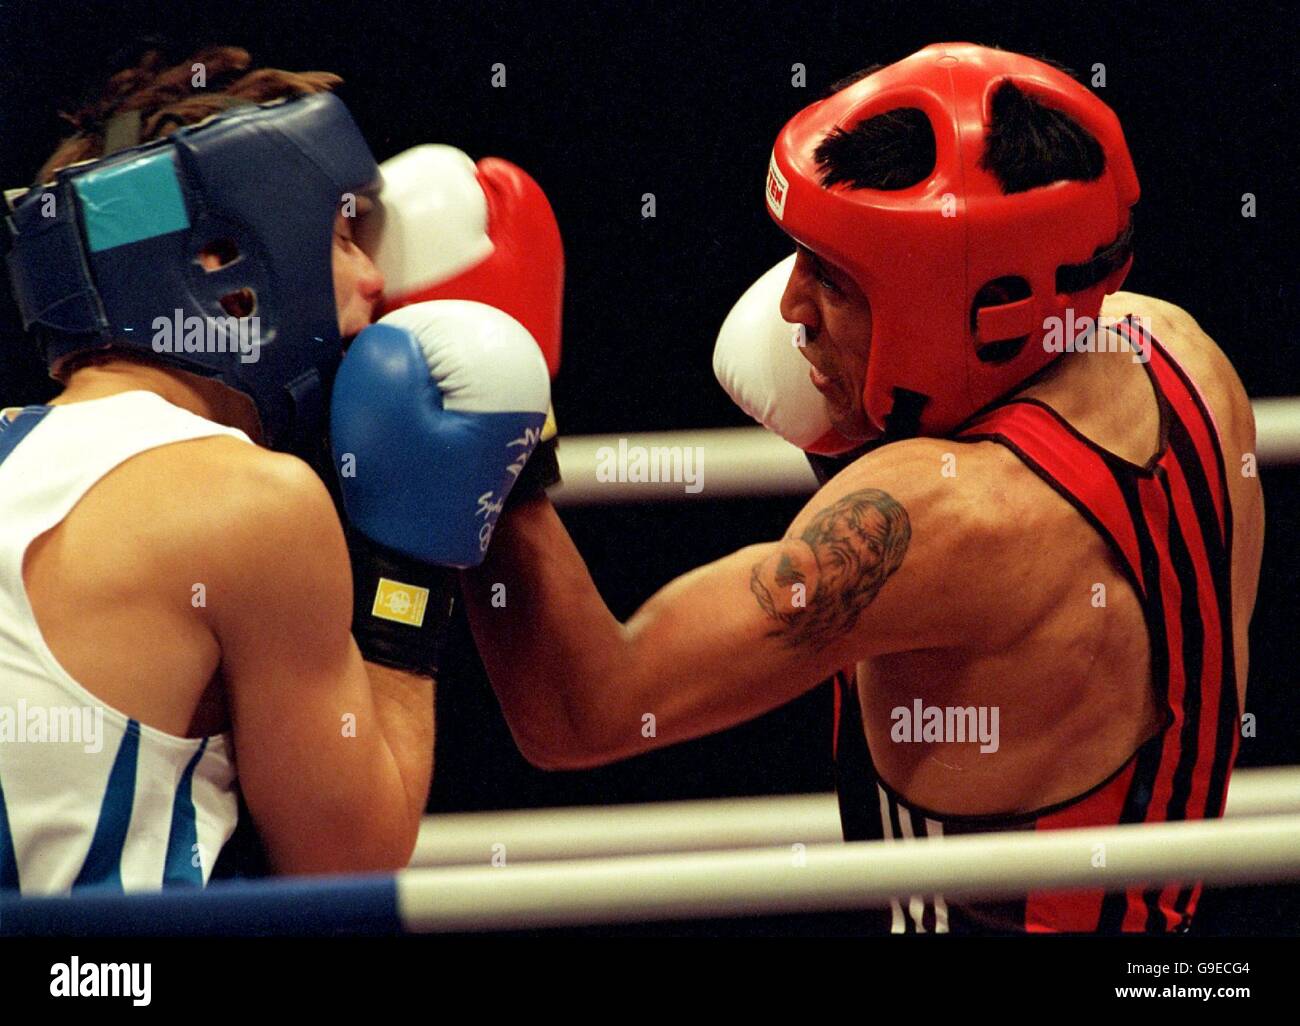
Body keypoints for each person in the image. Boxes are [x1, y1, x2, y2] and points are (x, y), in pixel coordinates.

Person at [458, 43, 1265, 933]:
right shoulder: (1175, 348)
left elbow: (584, 708)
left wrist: (495, 431)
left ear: (975, 309)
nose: (791, 309)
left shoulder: (943, 516)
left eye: (834, 279)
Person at [0, 45, 559, 893]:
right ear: (218, 259)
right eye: (341, 236)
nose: (375, 279)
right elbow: (347, 862)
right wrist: (416, 564)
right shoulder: (251, 504)